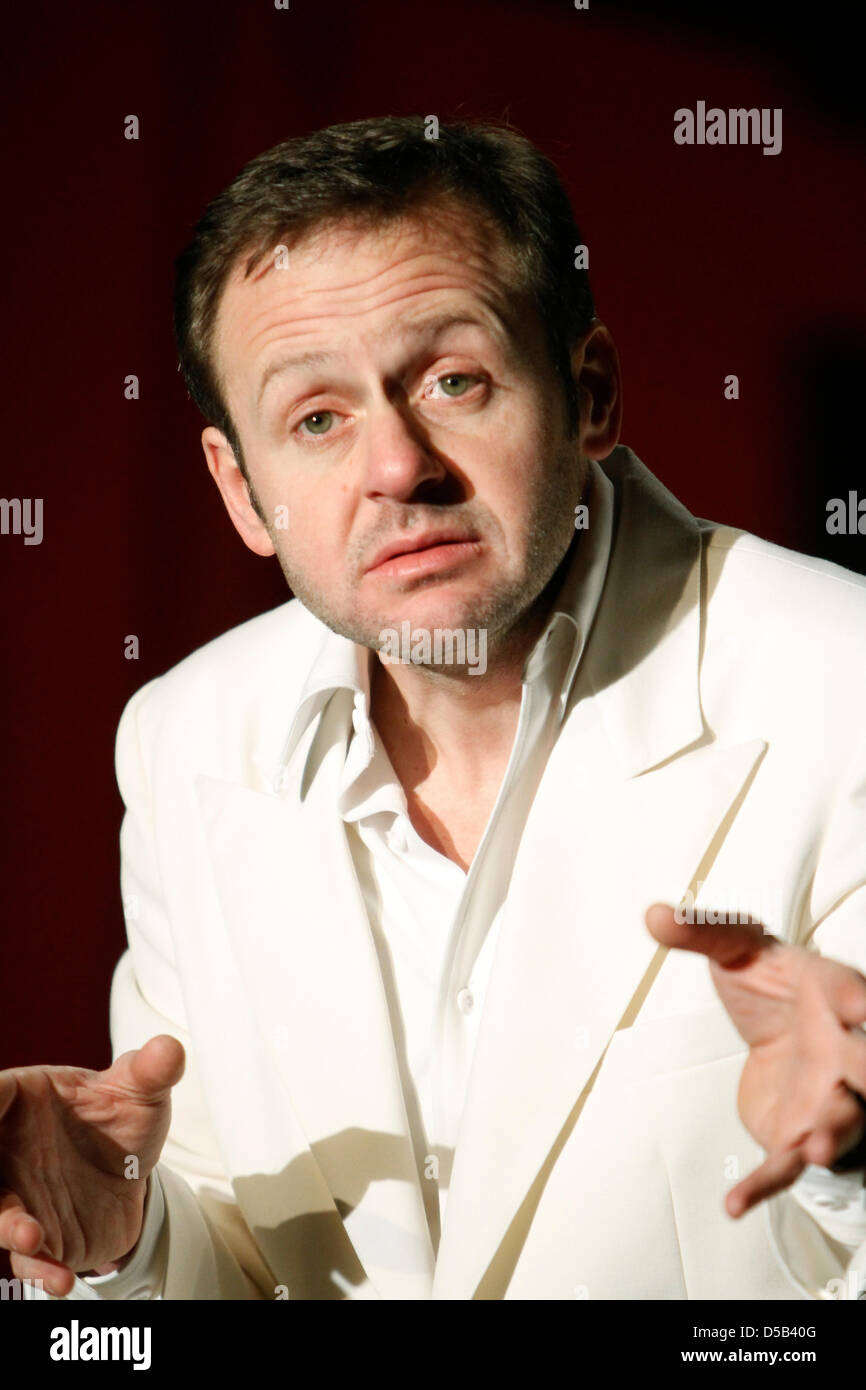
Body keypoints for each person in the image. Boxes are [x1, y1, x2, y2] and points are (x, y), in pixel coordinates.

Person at [4, 116, 866, 1301]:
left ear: (590, 394)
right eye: (316, 418)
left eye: (453, 381)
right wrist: (133, 1239)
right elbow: (247, 1265)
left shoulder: (842, 684)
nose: (397, 466)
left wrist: (849, 1171)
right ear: (241, 491)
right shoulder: (187, 736)